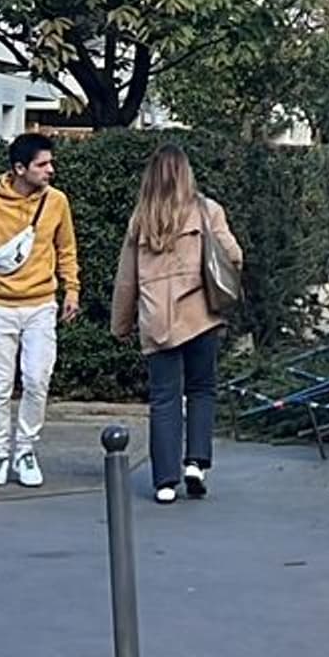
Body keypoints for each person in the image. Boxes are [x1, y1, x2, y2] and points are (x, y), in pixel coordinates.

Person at [108, 141, 243, 505]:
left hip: (156, 319)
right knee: (201, 390)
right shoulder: (206, 210)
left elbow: (126, 278)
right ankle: (196, 463)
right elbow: (233, 254)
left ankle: (165, 481)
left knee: (164, 399)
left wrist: (120, 324)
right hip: (200, 314)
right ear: (186, 174)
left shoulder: (142, 217)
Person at [0, 133, 79, 487]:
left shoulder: (57, 202)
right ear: (20, 168)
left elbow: (66, 248)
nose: (50, 170)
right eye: (42, 164)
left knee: (38, 380)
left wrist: (72, 290)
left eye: (50, 163)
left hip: (41, 304)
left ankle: (25, 450)